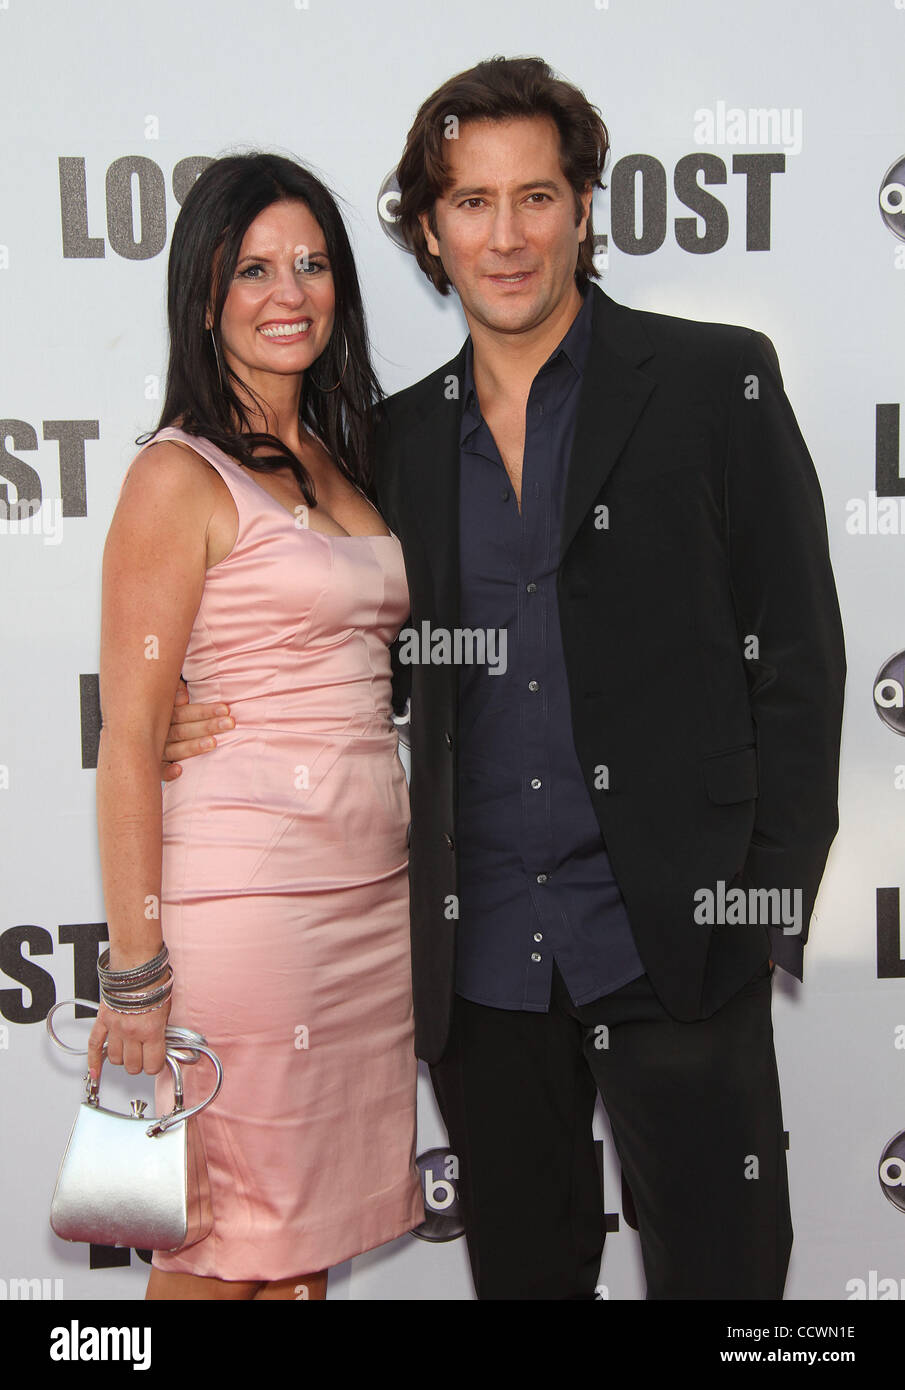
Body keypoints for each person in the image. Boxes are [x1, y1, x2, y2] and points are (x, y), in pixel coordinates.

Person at [164, 58, 846, 1300]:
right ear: (428, 231)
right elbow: (335, 634)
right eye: (470, 204)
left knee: (730, 1288)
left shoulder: (711, 383)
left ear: (584, 206)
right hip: (483, 972)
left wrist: (759, 912)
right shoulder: (394, 440)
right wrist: (208, 721)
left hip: (678, 951)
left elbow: (796, 659)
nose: (507, 235)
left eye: (536, 196)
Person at [90, 151, 423, 1302]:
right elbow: (129, 737)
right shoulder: (175, 477)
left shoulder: (343, 456)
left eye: (314, 263)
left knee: (299, 1259)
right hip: (250, 919)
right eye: (254, 269)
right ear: (203, 293)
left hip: (366, 909)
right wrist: (137, 976)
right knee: (223, 1245)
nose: (291, 292)